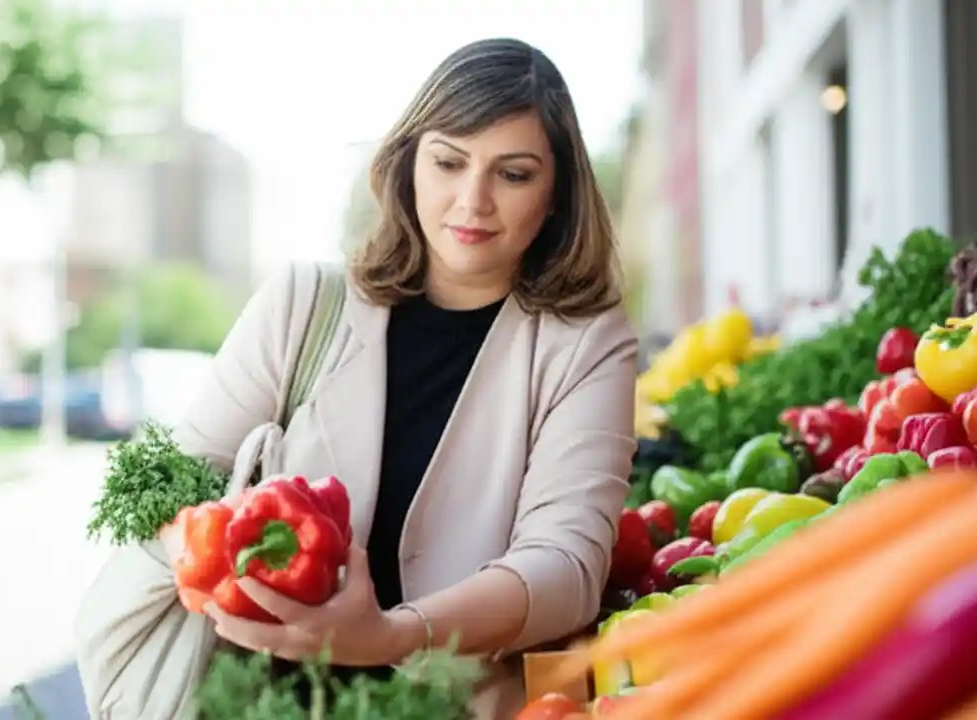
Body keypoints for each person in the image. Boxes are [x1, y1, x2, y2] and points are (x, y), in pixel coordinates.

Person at [74, 37, 637, 720]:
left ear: (556, 195)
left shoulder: (585, 343)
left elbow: (566, 568)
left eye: (513, 174)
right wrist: (210, 559)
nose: (473, 200)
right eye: (449, 162)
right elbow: (181, 474)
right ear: (408, 166)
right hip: (252, 700)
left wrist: (388, 637)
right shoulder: (302, 306)